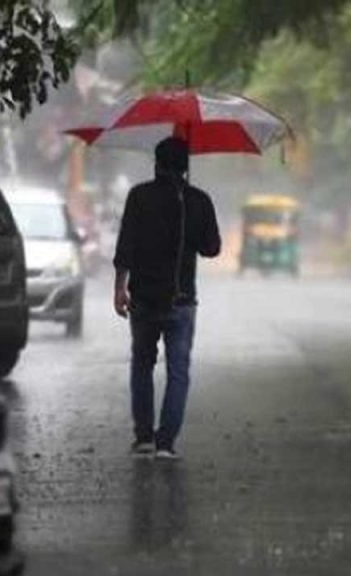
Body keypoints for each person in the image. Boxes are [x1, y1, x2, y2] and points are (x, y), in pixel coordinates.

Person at [113, 137, 222, 459]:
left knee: (142, 366)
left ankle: (144, 437)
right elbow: (212, 248)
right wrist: (193, 219)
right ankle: (166, 443)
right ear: (186, 167)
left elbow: (125, 246)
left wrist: (120, 288)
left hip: (144, 299)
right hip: (182, 300)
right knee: (178, 371)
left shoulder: (139, 196)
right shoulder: (199, 200)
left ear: (156, 164)